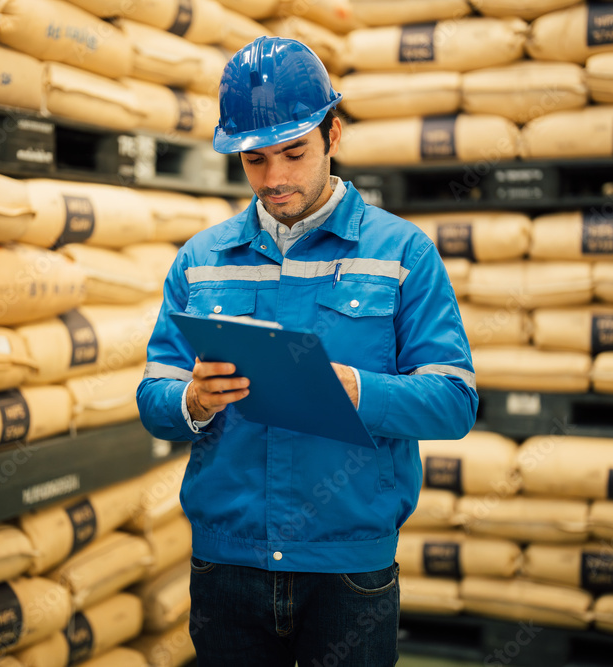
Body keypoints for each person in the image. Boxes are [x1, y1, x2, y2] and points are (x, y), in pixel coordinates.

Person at [136, 36, 477, 666]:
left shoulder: (401, 253)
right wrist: (192, 400)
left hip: (347, 571)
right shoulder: (202, 261)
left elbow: (454, 402)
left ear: (334, 135)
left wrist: (360, 391)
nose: (275, 179)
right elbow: (154, 398)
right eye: (255, 160)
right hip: (227, 563)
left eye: (294, 154)